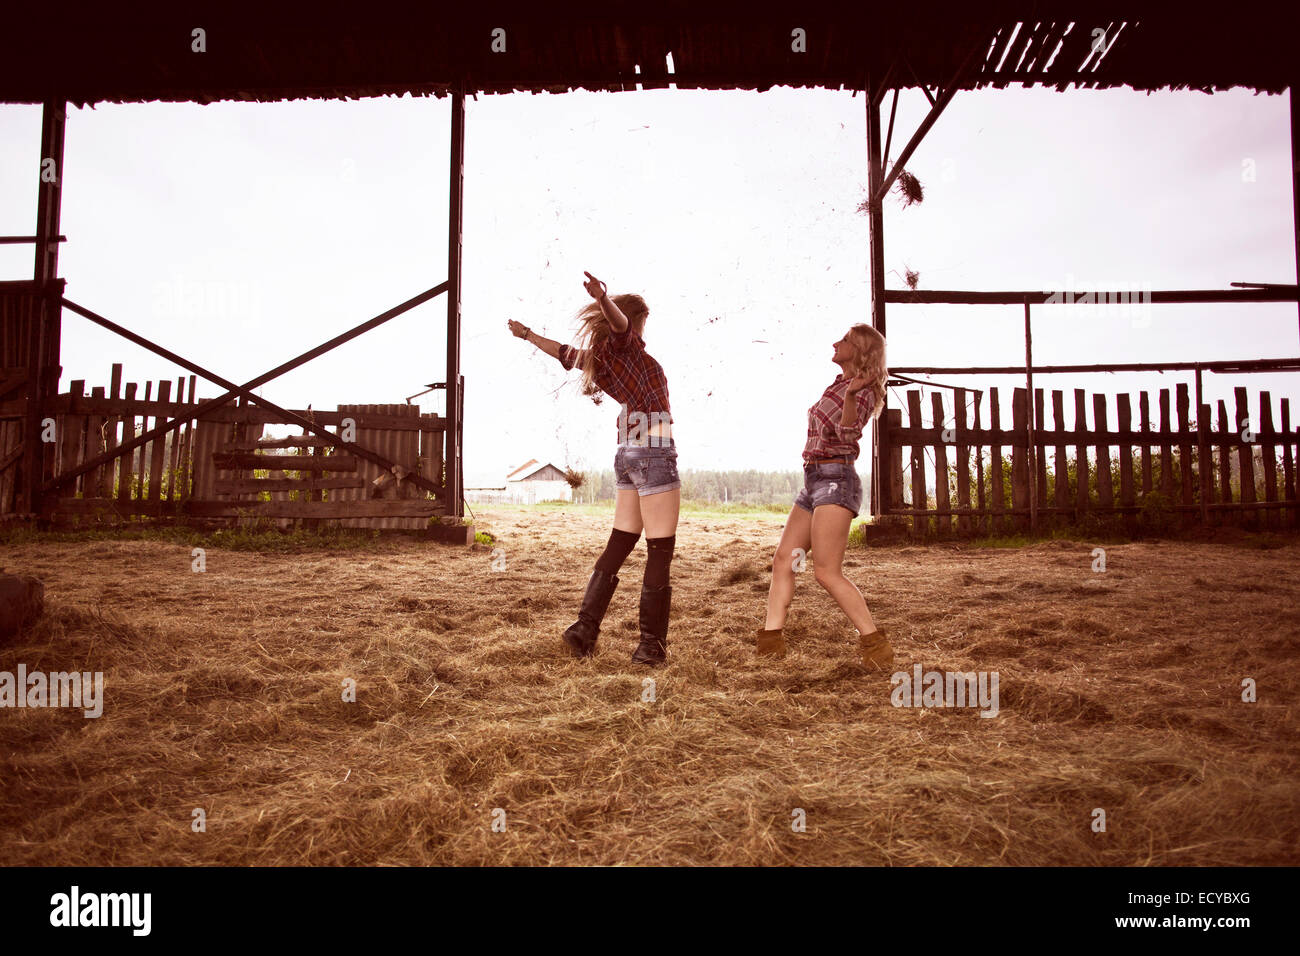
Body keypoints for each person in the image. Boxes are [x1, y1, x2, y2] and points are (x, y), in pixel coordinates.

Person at [507, 272, 680, 666]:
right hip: (653, 449)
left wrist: (528, 334)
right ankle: (650, 647)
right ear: (635, 322)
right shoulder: (627, 346)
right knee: (660, 549)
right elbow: (619, 327)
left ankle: (584, 630)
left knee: (620, 542)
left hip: (627, 451)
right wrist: (603, 298)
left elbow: (564, 352)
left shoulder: (598, 361)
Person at [757, 323, 894, 671]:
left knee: (826, 572)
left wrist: (850, 395)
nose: (836, 342)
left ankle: (875, 644)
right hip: (815, 479)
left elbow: (848, 433)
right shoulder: (837, 384)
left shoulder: (861, 391)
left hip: (836, 481)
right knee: (784, 560)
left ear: (860, 350)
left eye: (845, 340)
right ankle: (771, 643)